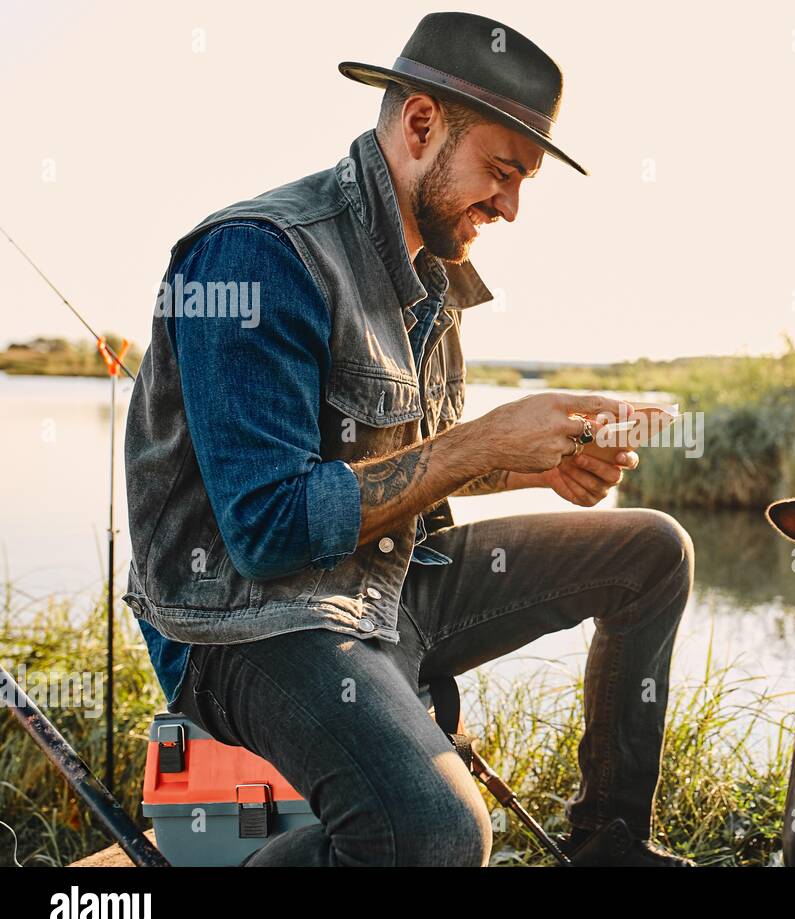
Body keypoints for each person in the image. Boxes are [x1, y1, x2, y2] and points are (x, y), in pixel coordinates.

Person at [123, 12, 694, 867]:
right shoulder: (256, 256)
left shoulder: (433, 276)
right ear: (421, 123)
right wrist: (484, 442)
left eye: (524, 182)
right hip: (244, 624)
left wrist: (536, 463)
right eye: (502, 172)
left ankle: (609, 845)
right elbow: (267, 529)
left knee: (652, 551)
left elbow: (403, 465)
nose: (511, 207)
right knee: (436, 834)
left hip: (388, 586)